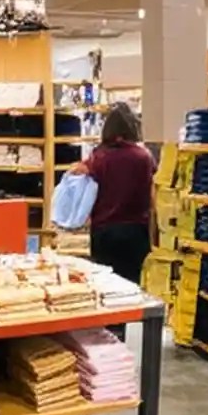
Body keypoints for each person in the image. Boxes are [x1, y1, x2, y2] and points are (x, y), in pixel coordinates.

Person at [72, 102, 156, 286]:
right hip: (136, 230)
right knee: (134, 283)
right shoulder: (144, 157)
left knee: (105, 284)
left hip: (104, 230)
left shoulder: (97, 157)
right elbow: (153, 192)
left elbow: (78, 178)